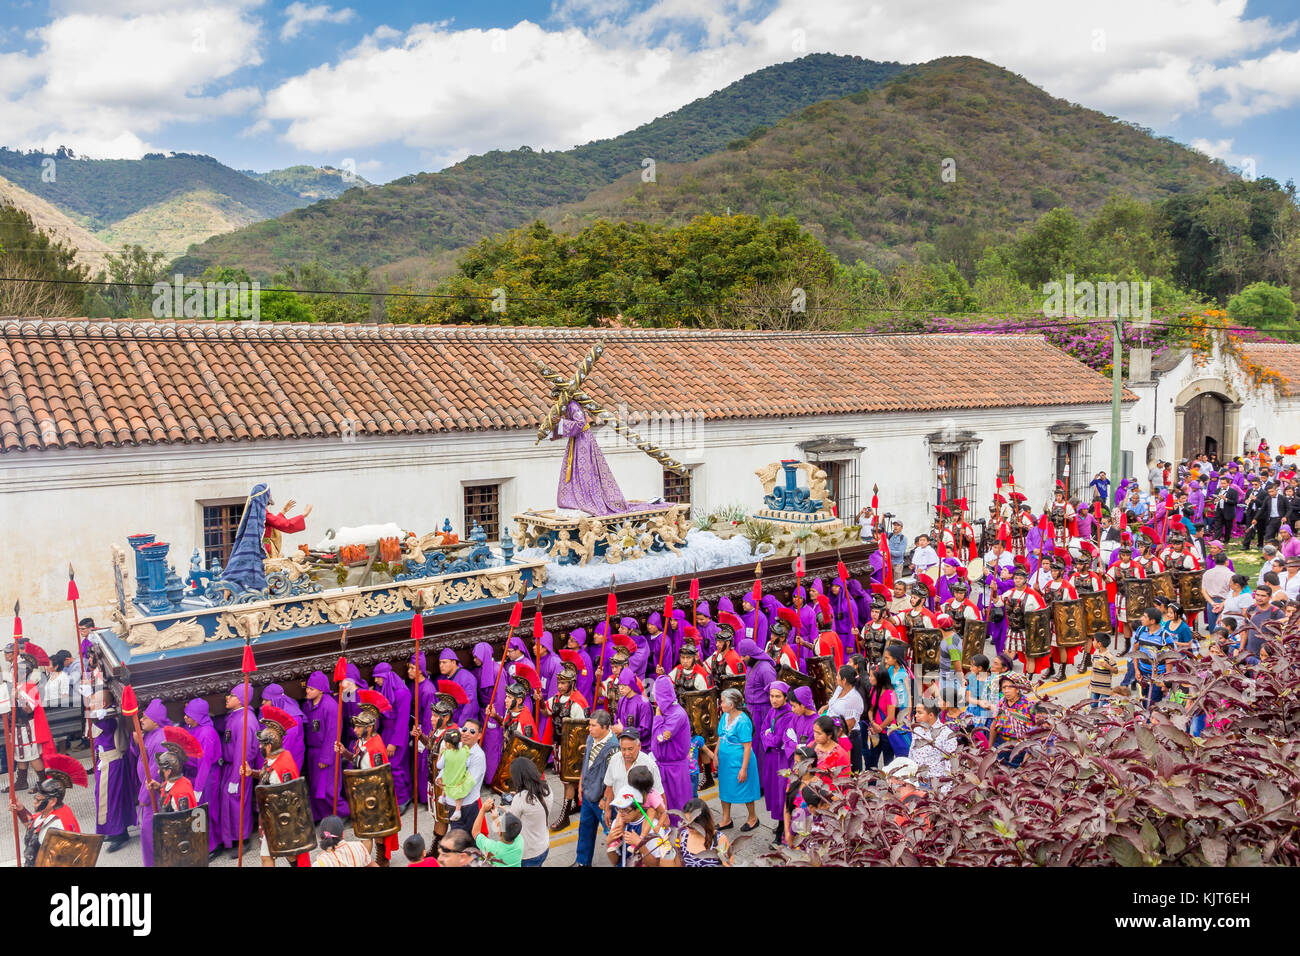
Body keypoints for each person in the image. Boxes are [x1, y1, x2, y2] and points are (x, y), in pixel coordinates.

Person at [9, 753, 85, 867]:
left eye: (39, 799)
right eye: (36, 798)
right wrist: (21, 810)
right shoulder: (53, 811)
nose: (34, 802)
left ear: (53, 801)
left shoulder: (57, 825)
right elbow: (33, 827)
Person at [573, 710, 618, 866]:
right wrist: (580, 785)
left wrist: (606, 799)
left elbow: (613, 778)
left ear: (605, 727)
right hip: (587, 795)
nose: (589, 729)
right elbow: (586, 763)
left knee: (613, 836)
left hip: (602, 801)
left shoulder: (613, 748)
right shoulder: (591, 738)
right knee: (585, 831)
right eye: (589, 725)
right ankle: (582, 862)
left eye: (593, 725)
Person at [715, 687, 761, 831]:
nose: (720, 704)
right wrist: (715, 755)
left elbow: (747, 747)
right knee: (724, 789)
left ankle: (753, 817)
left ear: (731, 704)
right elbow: (720, 737)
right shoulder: (724, 716)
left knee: (745, 790)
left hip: (740, 762)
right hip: (725, 762)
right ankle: (726, 819)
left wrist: (743, 769)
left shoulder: (743, 721)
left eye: (722, 702)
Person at [649, 675, 693, 809]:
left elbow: (659, 737)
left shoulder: (676, 715)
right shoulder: (666, 711)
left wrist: (657, 716)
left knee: (678, 805)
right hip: (664, 766)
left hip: (674, 769)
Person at [602, 730, 662, 827]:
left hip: (641, 817)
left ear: (639, 746)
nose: (626, 753)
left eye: (630, 749)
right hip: (619, 814)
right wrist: (607, 809)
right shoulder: (614, 759)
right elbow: (610, 786)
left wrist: (662, 817)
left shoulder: (649, 764)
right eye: (623, 749)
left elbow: (659, 793)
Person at [604, 784, 673, 866]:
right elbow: (614, 862)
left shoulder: (653, 828)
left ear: (639, 808)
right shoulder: (617, 823)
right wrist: (609, 842)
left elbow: (656, 864)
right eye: (618, 809)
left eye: (626, 810)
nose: (621, 814)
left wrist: (640, 845)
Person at [758, 680, 795, 832]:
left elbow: (779, 739)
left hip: (782, 760)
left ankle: (782, 829)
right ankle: (780, 824)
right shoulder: (772, 711)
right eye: (772, 696)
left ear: (786, 697)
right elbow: (762, 731)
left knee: (781, 794)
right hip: (771, 759)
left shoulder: (789, 715)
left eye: (778, 696)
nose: (773, 700)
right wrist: (769, 736)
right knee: (772, 791)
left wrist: (769, 736)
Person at [504, 756, 551, 867]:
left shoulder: (520, 799)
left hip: (528, 854)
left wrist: (504, 811)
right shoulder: (547, 789)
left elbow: (508, 826)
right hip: (543, 846)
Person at [661, 797, 731, 867]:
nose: (687, 826)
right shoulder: (683, 836)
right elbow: (678, 864)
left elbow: (727, 864)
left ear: (703, 821)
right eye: (684, 821)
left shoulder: (719, 840)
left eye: (692, 823)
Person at [908, 699, 957, 789]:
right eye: (915, 712)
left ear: (931, 715)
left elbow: (950, 764)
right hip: (917, 783)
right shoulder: (916, 730)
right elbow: (912, 753)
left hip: (935, 785)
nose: (915, 715)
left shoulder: (947, 734)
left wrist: (945, 790)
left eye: (919, 713)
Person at [990, 674, 1034, 765]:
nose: (1006, 691)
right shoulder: (1002, 702)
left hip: (1021, 748)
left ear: (1017, 689)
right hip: (1003, 745)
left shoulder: (1028, 705)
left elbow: (1037, 729)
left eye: (1010, 687)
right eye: (1004, 688)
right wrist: (989, 747)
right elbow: (994, 724)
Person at [473, 797, 524, 867]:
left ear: (499, 832)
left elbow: (475, 833)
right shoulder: (520, 840)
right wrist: (496, 819)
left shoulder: (493, 848)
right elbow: (506, 831)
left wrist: (482, 810)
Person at [436, 730, 472, 821]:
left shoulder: (446, 754)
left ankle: (444, 797)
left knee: (443, 779)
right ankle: (457, 810)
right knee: (458, 794)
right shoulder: (464, 751)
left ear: (447, 744)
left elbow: (439, 766)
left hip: (449, 777)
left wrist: (440, 754)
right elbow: (467, 763)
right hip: (459, 777)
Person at [1088, 633, 1119, 706]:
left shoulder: (1109, 656)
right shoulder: (1095, 654)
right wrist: (1090, 682)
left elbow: (1116, 670)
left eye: (1094, 640)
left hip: (1105, 688)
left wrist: (1108, 666)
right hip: (1095, 686)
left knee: (1104, 706)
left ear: (1099, 644)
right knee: (1093, 705)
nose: (1092, 642)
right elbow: (1093, 669)